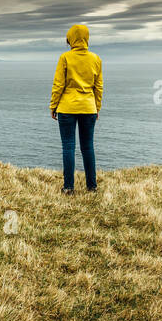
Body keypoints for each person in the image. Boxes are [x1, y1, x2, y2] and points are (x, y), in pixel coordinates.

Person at [49, 24, 103, 194]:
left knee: (68, 146)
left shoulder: (65, 57)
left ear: (70, 38)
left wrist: (53, 106)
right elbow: (98, 87)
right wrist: (97, 108)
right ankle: (92, 186)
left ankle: (68, 188)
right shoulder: (96, 59)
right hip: (89, 107)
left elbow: (59, 85)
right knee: (88, 147)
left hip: (67, 107)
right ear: (86, 38)